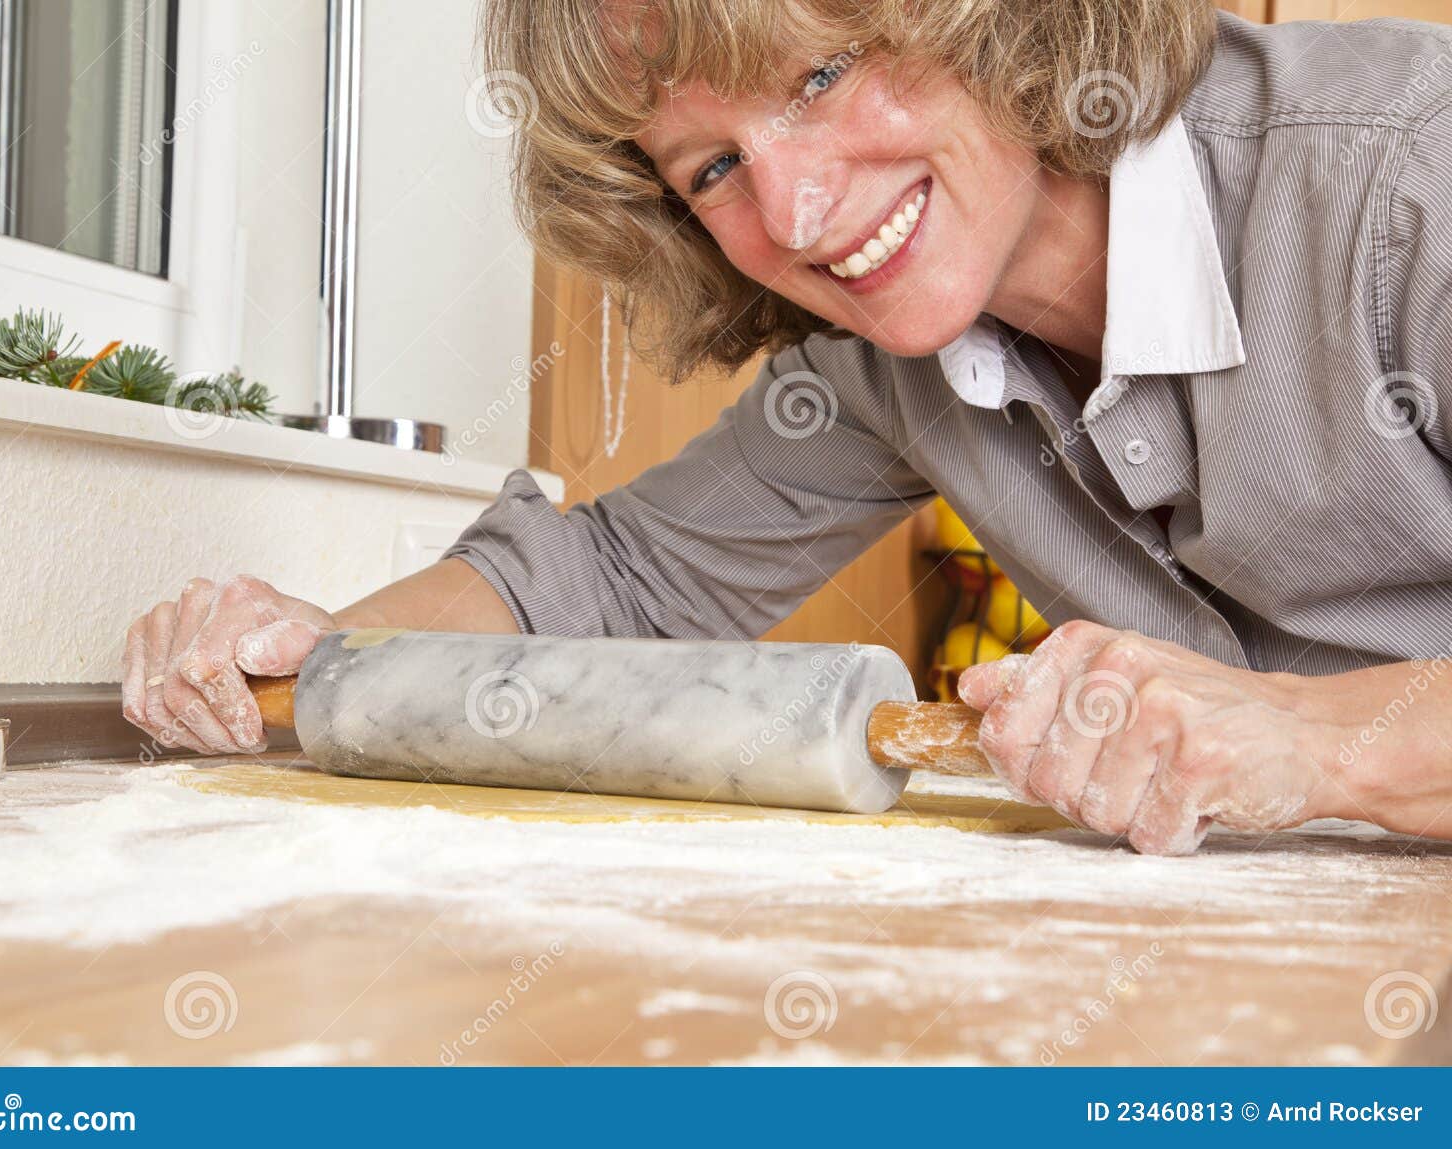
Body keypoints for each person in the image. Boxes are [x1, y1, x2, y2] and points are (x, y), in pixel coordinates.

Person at [123, 1, 1452, 855]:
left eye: (817, 75)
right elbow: (612, 580)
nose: (801, 214)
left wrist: (1309, 741)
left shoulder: (1411, 182)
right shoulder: (891, 364)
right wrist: (329, 651)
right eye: (712, 169)